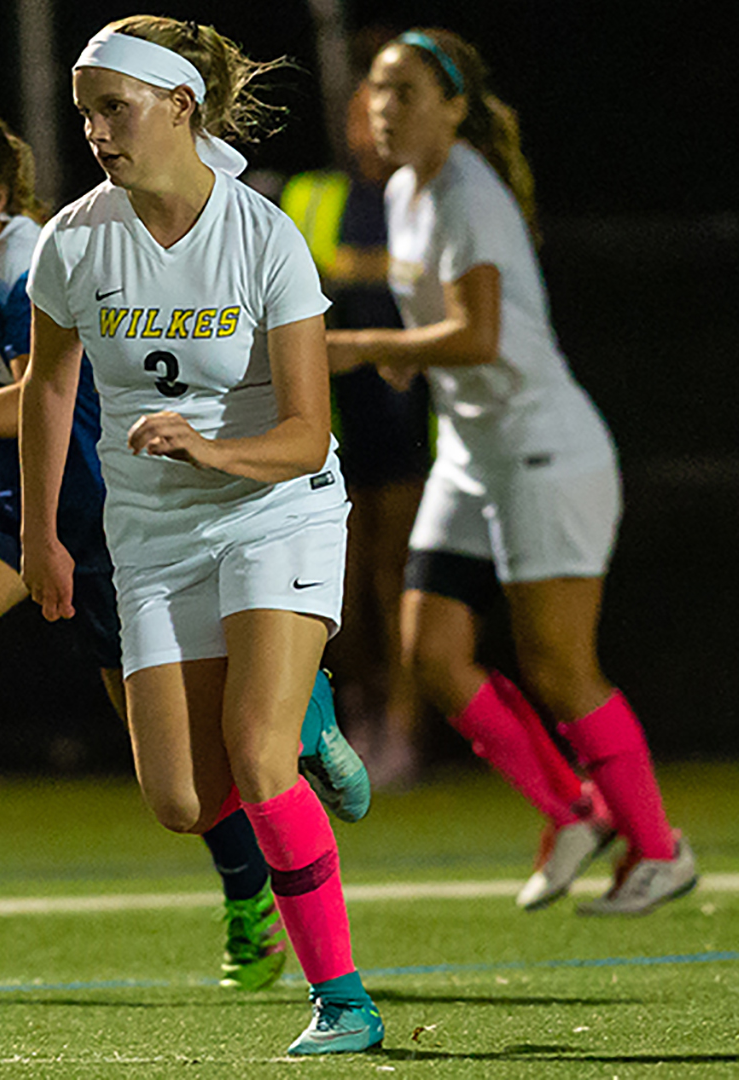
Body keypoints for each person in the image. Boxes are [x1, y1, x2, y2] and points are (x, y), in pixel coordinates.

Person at [0, 104, 366, 993]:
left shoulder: (38, 256)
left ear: (0, 197)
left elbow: (48, 392)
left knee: (189, 780)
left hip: (107, 505)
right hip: (7, 496)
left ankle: (252, 887)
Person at [18, 16, 384, 1055]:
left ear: (180, 106)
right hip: (151, 533)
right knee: (185, 801)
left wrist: (213, 451)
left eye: (114, 108)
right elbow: (47, 387)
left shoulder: (264, 237)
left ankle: (344, 1001)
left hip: (277, 505)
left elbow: (306, 431)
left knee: (258, 761)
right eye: (85, 113)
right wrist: (41, 535)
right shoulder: (74, 240)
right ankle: (308, 713)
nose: (95, 131)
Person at [325, 27, 697, 916]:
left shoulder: (468, 191)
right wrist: (410, 355)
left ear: (455, 107)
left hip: (542, 449)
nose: (384, 106)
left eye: (406, 91)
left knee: (560, 667)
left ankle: (658, 849)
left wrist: (374, 345)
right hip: (474, 451)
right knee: (433, 653)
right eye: (377, 88)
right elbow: (456, 333)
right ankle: (573, 811)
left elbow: (481, 336)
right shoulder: (406, 189)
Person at [279, 25, 433, 790]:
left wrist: (357, 271)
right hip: (328, 416)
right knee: (333, 586)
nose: (374, 122)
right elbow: (293, 281)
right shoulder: (312, 195)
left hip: (404, 411)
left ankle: (401, 727)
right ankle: (348, 716)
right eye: (364, 106)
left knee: (394, 574)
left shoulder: (426, 197)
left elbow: (429, 282)